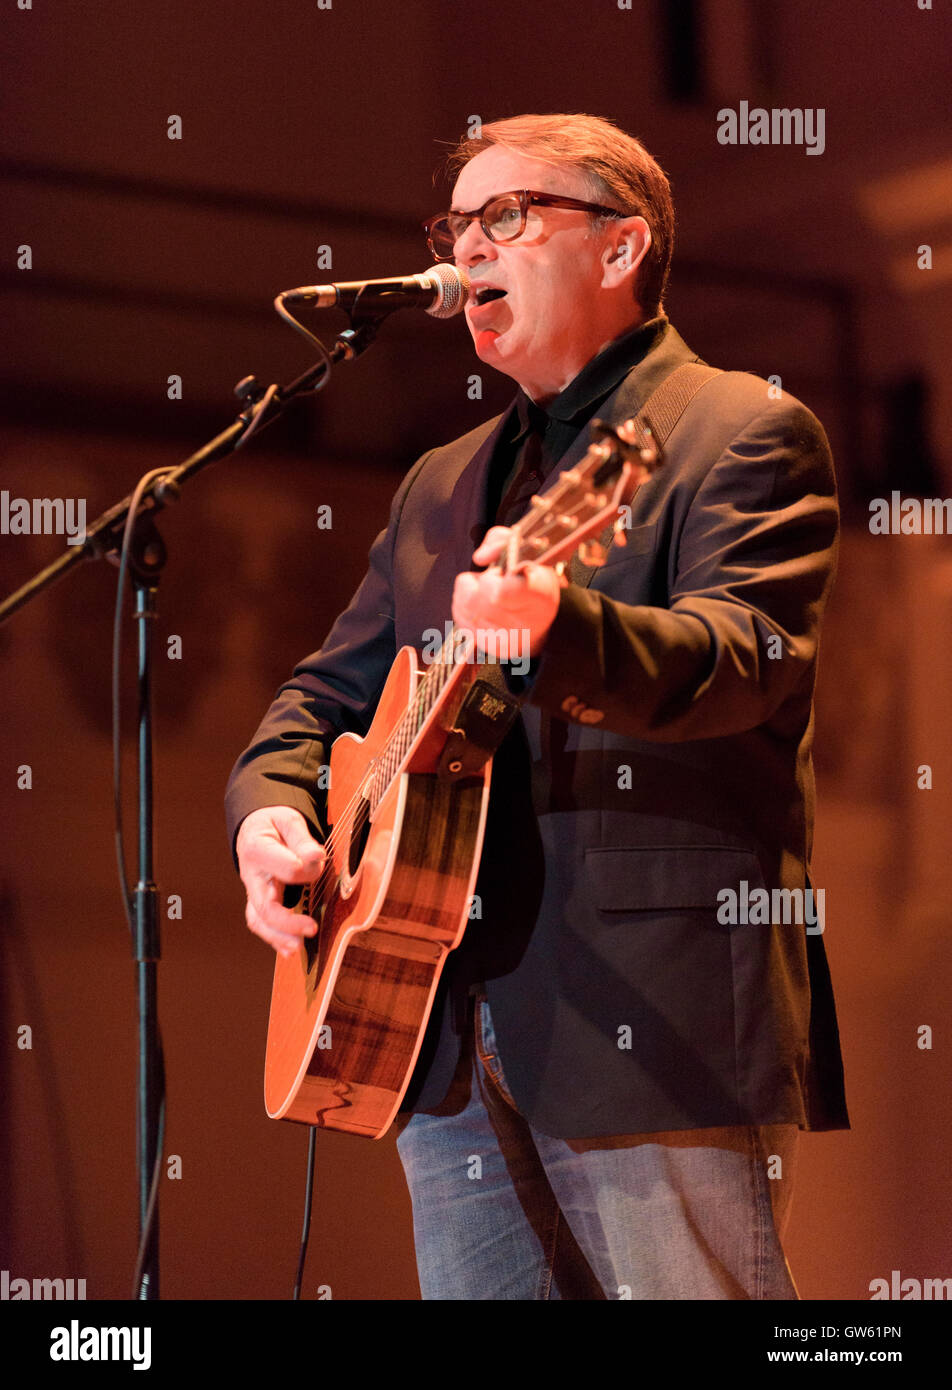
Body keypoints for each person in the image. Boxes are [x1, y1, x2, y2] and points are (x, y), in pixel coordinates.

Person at [225, 113, 849, 1300]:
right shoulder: (439, 482)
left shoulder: (737, 432)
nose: (467, 252)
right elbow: (321, 697)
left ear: (620, 249)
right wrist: (266, 813)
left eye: (506, 216)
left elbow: (749, 658)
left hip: (650, 1017)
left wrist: (559, 628)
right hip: (436, 1025)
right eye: (455, 225)